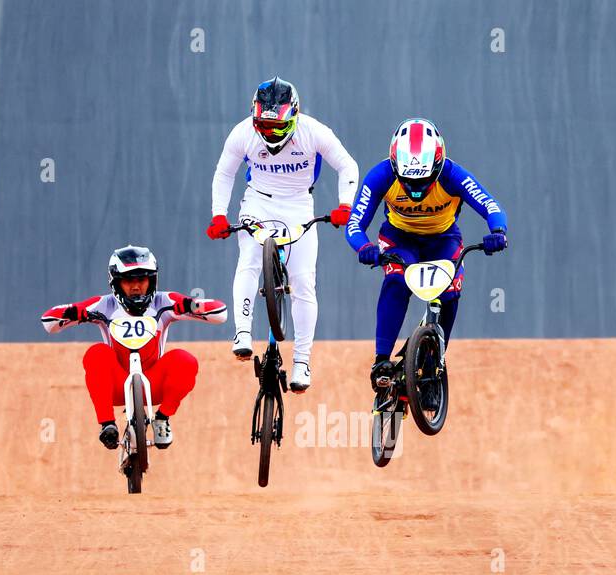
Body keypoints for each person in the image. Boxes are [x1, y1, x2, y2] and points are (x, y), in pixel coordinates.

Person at [208, 76, 358, 392]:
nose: (269, 134)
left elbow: (347, 166)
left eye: (277, 127)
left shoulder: (314, 131)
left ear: (294, 116)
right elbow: (224, 173)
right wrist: (219, 215)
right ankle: (243, 332)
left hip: (299, 205)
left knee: (304, 282)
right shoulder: (242, 133)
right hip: (258, 202)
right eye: (263, 126)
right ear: (254, 116)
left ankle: (302, 362)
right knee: (248, 258)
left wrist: (345, 205)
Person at [344, 118, 508, 389]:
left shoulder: (454, 175)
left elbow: (491, 206)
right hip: (399, 239)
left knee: (450, 294)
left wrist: (498, 231)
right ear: (395, 165)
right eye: (407, 180)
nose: (416, 189)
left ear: (439, 164)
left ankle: (435, 361)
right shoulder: (380, 176)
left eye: (424, 180)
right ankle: (381, 361)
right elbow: (354, 223)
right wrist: (365, 247)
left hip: (443, 239)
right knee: (396, 282)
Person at [40, 245, 226, 449]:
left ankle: (162, 420)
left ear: (152, 280)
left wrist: (191, 305)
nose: (136, 287)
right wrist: (72, 312)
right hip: (116, 385)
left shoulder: (164, 300)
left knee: (185, 360)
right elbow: (48, 321)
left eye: (142, 280)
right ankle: (107, 424)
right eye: (129, 280)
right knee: (97, 353)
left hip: (155, 384)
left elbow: (220, 312)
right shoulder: (104, 305)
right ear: (116, 283)